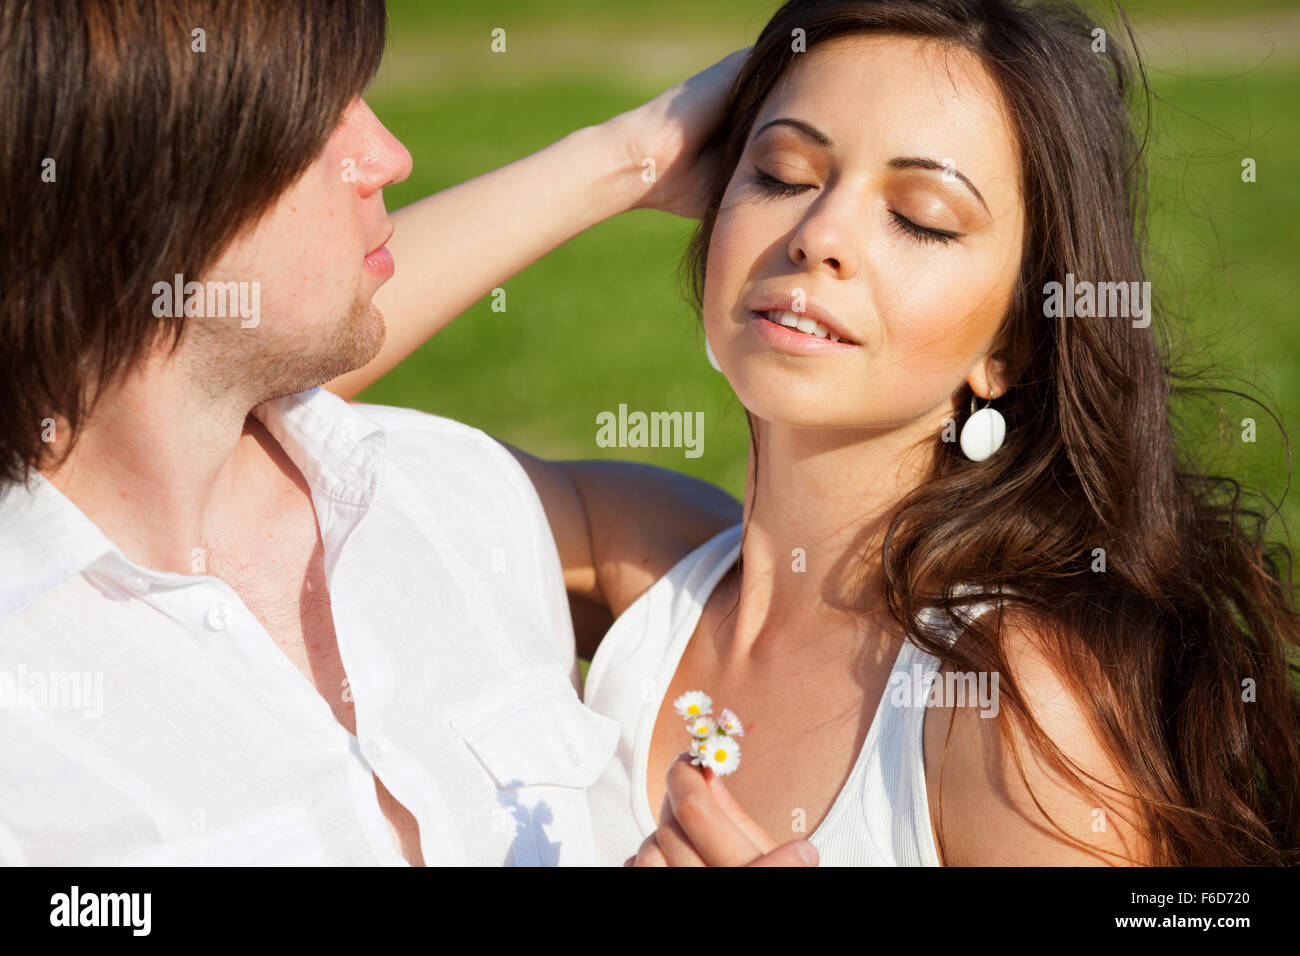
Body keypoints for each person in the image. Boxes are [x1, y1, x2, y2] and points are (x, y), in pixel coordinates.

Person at [342, 0, 1300, 866]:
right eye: (781, 173)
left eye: (921, 219)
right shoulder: (641, 561)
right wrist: (624, 156)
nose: (821, 234)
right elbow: (276, 393)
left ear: (1009, 342)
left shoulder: (1009, 702)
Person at [0, 0, 812, 866]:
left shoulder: (461, 494)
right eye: (316, 117)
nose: (389, 156)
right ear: (129, 192)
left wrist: (633, 159)